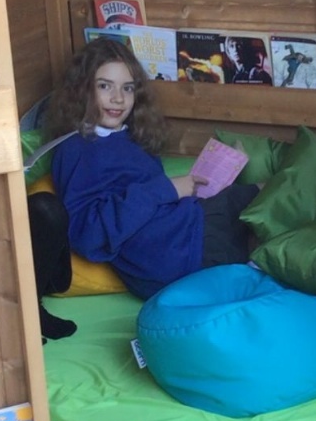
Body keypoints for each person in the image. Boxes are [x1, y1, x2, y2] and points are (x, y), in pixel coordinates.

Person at [45, 36, 259, 300]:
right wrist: (167, 189)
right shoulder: (76, 148)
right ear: (82, 90)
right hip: (171, 255)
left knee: (264, 194)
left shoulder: (132, 137)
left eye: (127, 88)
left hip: (183, 231)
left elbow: (150, 197)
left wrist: (206, 180)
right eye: (104, 86)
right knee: (268, 200)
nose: (118, 99)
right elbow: (88, 235)